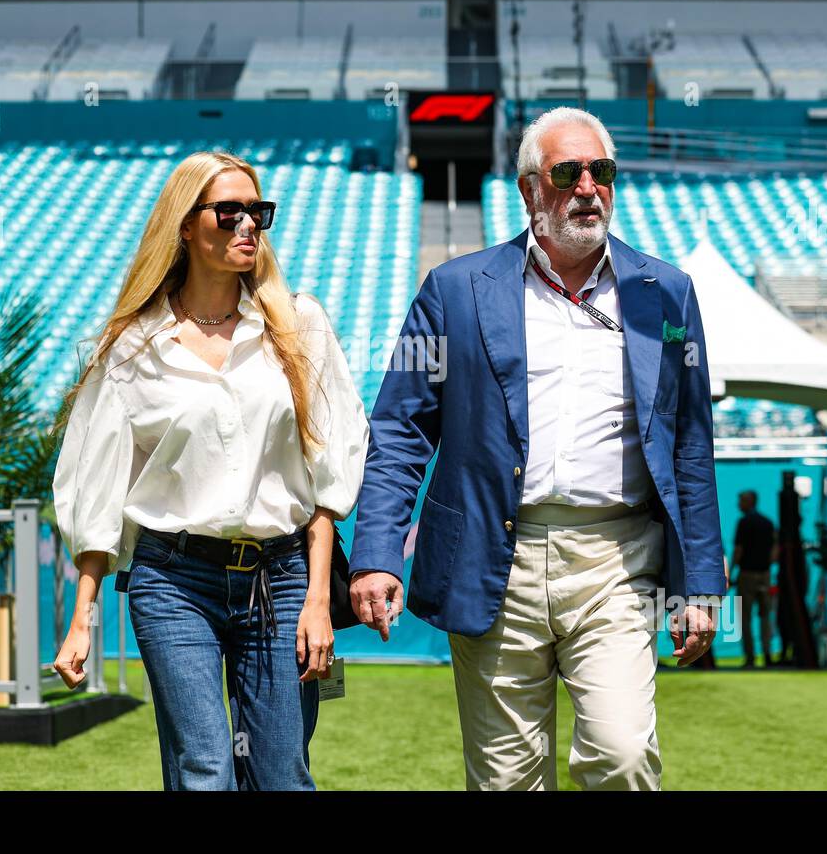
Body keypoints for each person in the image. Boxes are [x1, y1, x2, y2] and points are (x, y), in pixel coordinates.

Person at [350, 106, 726, 790]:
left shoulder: (667, 294)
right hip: (496, 561)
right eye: (568, 172)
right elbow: (401, 430)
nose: (588, 186)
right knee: (507, 782)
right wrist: (376, 555)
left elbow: (690, 445)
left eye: (601, 171)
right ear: (529, 191)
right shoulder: (455, 291)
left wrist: (698, 583)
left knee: (622, 756)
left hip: (618, 561)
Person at [50, 151, 369, 790]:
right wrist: (81, 615)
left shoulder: (298, 325)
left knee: (281, 776)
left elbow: (329, 472)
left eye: (259, 212)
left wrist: (317, 600)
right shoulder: (133, 345)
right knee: (205, 771)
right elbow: (100, 481)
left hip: (282, 580)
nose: (248, 225)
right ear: (187, 226)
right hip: (173, 581)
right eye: (230, 212)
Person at [731, 489, 777, 668]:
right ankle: (767, 654)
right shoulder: (768, 523)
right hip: (764, 575)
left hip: (747, 575)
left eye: (741, 500)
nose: (738, 504)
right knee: (766, 617)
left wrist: (733, 572)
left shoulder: (743, 523)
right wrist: (767, 566)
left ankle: (750, 657)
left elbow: (738, 550)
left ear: (750, 502)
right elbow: (775, 549)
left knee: (746, 618)